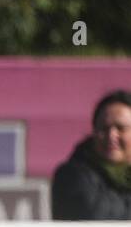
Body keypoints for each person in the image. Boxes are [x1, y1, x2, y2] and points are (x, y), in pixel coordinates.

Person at [51, 90, 131, 220]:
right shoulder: (72, 174)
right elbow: (95, 214)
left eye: (120, 128)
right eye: (104, 128)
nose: (111, 136)